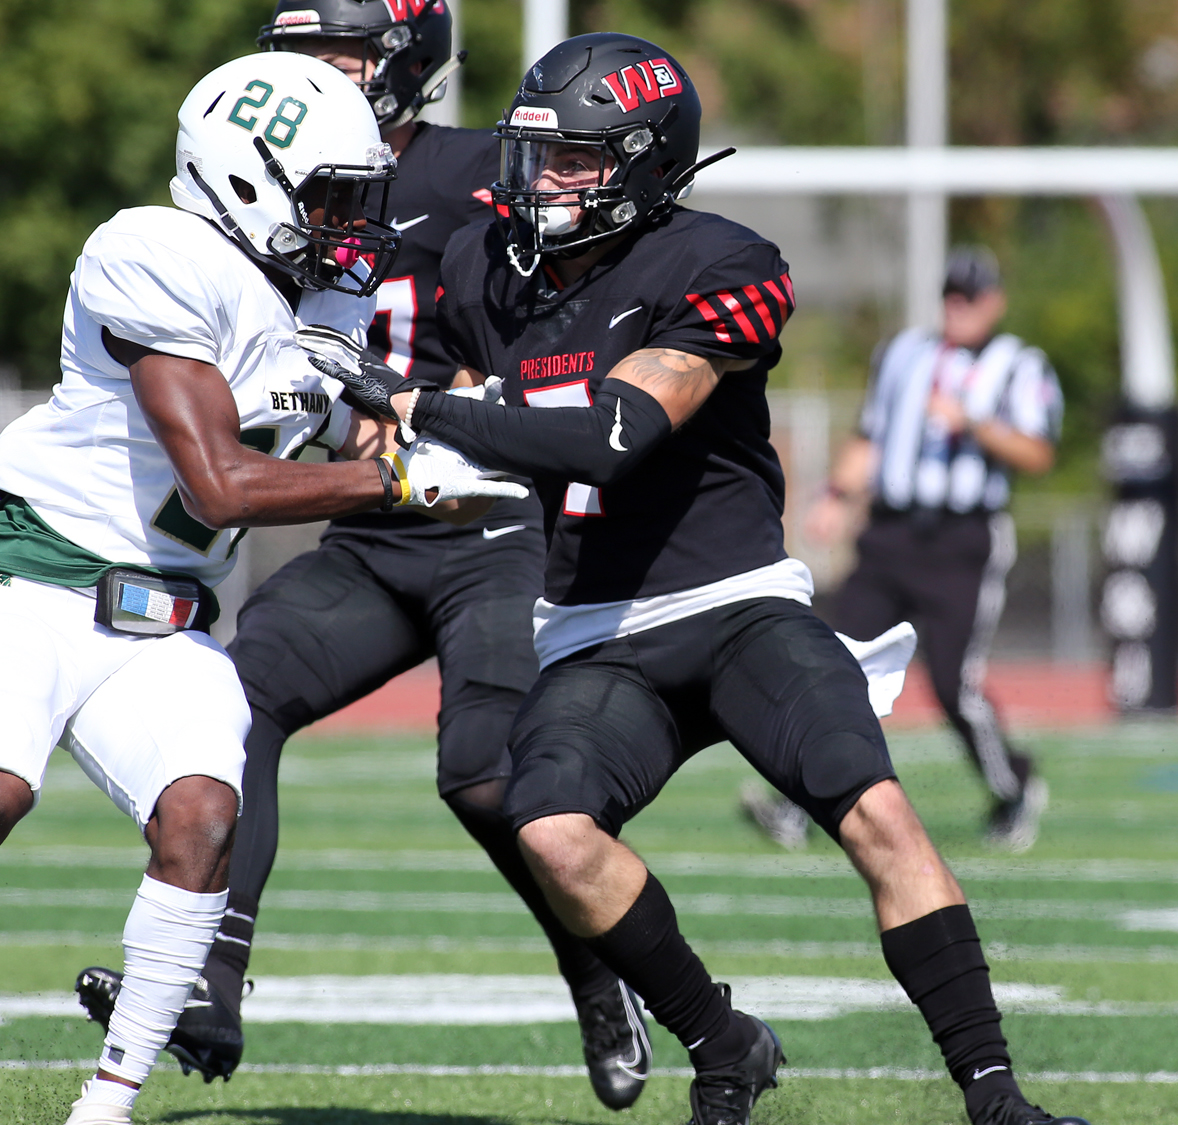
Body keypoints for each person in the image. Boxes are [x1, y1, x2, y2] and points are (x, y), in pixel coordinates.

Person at [329, 32, 1091, 1125]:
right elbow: (421, 370)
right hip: (591, 625)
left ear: (644, 164)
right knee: (549, 830)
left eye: (574, 161)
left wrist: (414, 406)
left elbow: (611, 435)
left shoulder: (722, 263)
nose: (540, 184)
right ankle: (722, 1038)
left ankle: (994, 1097)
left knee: (877, 814)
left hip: (733, 606)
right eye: (534, 156)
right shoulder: (482, 267)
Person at [0, 51, 522, 1125]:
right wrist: (394, 480)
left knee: (205, 819)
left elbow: (351, 421)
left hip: (167, 621)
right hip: (38, 577)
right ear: (245, 181)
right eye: (332, 196)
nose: (352, 223)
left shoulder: (329, 292)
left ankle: (103, 1111)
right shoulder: (148, 253)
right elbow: (219, 484)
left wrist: (463, 430)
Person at [69, 0, 654, 1110]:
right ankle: (207, 984)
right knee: (232, 710)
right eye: (296, 55)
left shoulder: (494, 166)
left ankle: (595, 965)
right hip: (374, 517)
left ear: (405, 60)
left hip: (485, 515)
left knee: (485, 772)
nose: (316, 76)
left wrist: (513, 395)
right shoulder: (257, 183)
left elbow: (605, 294)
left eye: (338, 52)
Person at [745, 248, 1063, 853]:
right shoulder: (903, 355)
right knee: (837, 665)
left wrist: (973, 422)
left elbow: (1039, 453)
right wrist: (836, 494)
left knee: (952, 685)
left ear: (994, 302)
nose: (958, 307)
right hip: (889, 534)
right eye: (951, 294)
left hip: (962, 539)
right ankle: (796, 803)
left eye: (970, 296)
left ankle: (1013, 787)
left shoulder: (1019, 365)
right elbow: (872, 436)